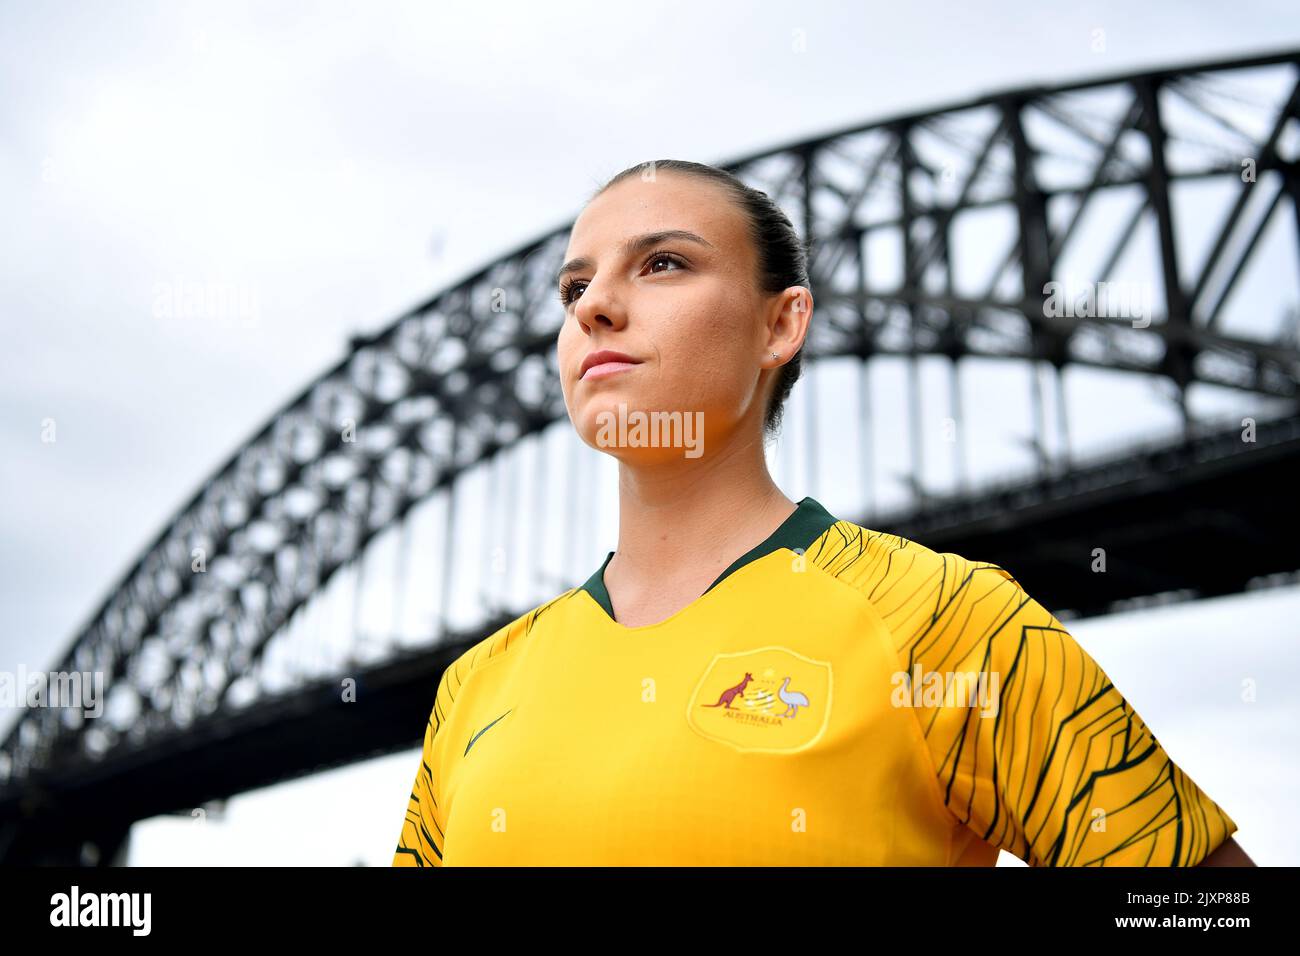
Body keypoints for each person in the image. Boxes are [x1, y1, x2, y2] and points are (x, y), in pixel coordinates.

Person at [392, 159, 1251, 867]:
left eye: (664, 264)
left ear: (781, 324)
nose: (592, 307)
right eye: (574, 287)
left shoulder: (945, 619)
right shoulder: (475, 688)